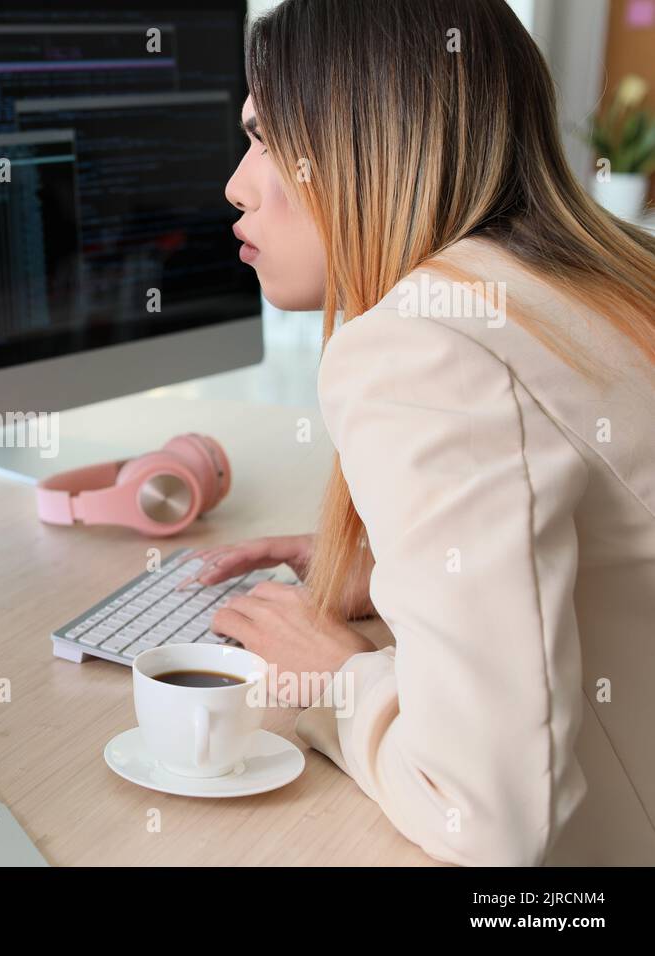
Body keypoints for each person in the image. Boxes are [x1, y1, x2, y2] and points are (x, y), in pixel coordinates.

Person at [199, 0, 655, 865]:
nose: (235, 182)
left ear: (359, 142)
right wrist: (421, 568)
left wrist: (332, 678)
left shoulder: (423, 346)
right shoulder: (606, 277)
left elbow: (487, 820)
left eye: (262, 138)